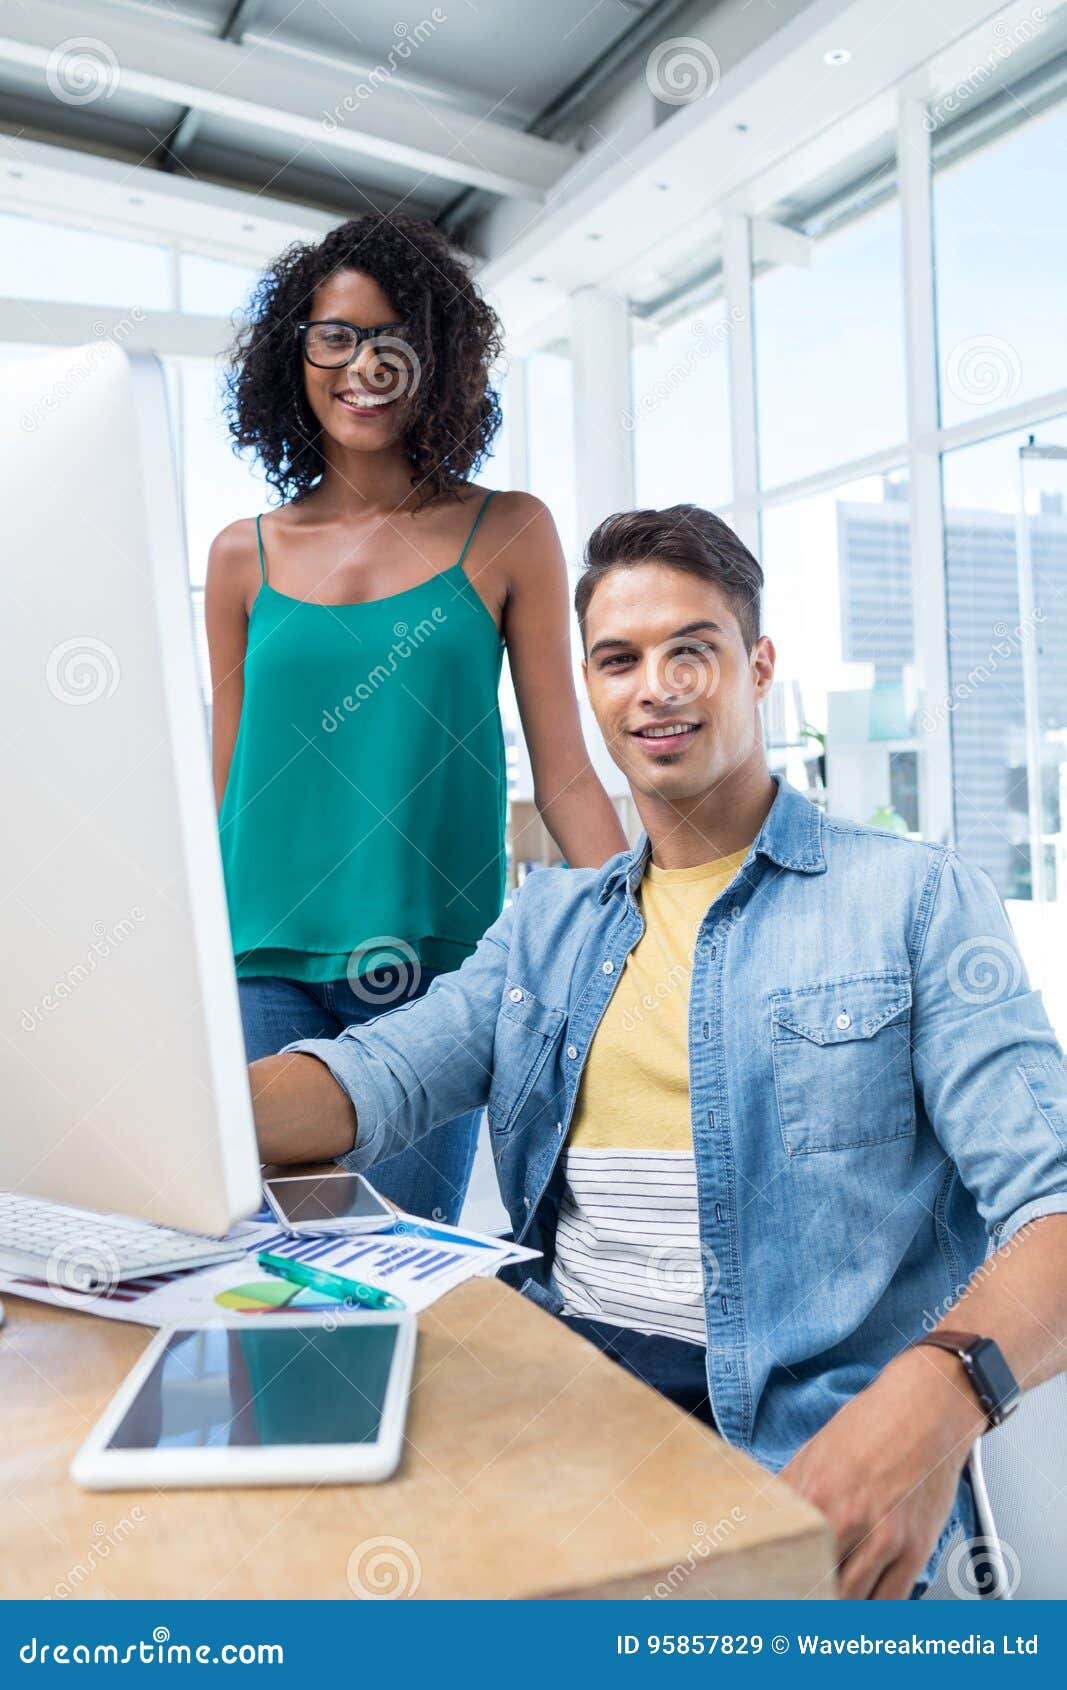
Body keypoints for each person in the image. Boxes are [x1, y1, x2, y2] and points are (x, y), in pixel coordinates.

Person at [250, 503, 1067, 1598]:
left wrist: (937, 1396)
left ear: (757, 664)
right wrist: (167, 1108)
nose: (656, 687)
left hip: (791, 1450)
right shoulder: (548, 922)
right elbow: (380, 1075)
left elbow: (1052, 1207)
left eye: (693, 649)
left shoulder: (913, 902)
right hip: (563, 1406)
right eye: (618, 659)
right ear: (587, 687)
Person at [206, 213, 625, 1225]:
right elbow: (221, 783)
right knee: (273, 1278)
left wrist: (640, 933)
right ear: (294, 355)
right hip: (258, 957)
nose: (363, 362)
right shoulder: (238, 555)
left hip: (435, 970)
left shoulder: (508, 530)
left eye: (393, 336)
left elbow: (563, 769)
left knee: (399, 1277)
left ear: (436, 361)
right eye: (334, 335)